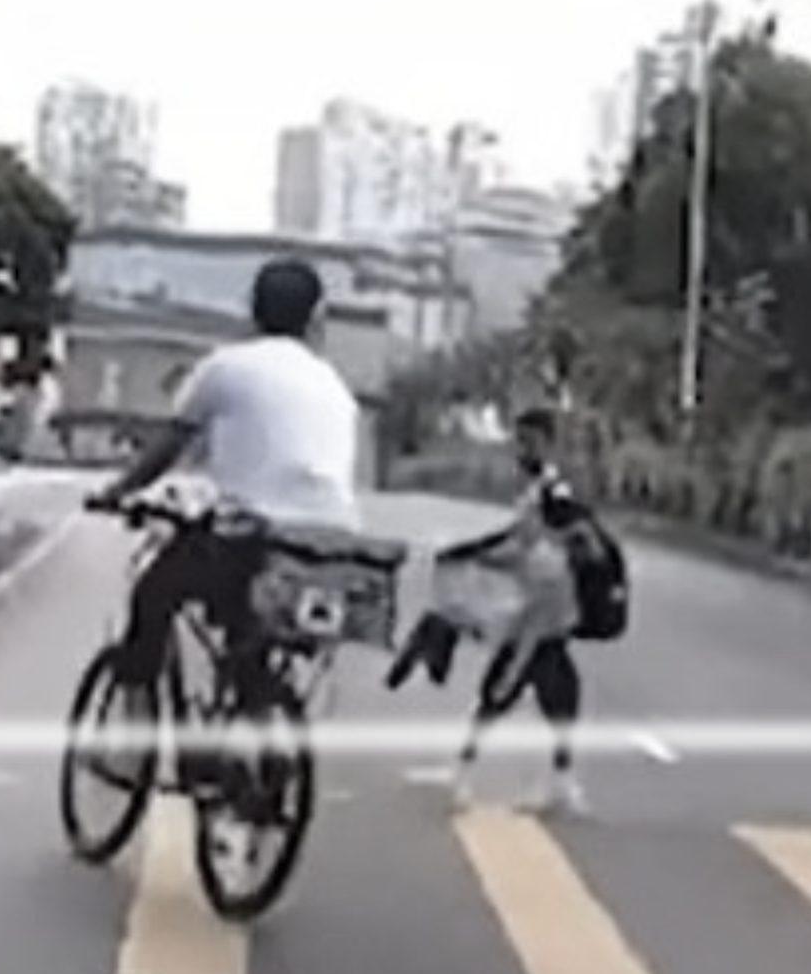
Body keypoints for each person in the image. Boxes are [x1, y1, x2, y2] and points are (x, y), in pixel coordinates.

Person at [91, 258, 360, 690]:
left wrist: (118, 491)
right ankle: (254, 711)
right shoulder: (336, 387)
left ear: (252, 311)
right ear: (316, 317)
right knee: (249, 629)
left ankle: (135, 709)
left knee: (153, 593)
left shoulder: (226, 366)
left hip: (250, 537)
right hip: (331, 543)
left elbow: (169, 446)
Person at [389, 407, 588, 814]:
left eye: (529, 442)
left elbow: (551, 541)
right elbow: (518, 540)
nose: (521, 450)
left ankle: (474, 775)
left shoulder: (556, 492)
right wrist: (472, 552)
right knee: (542, 698)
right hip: (541, 611)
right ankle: (555, 783)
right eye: (519, 441)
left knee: (515, 694)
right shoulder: (538, 489)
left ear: (549, 443)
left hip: (544, 608)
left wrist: (496, 556)